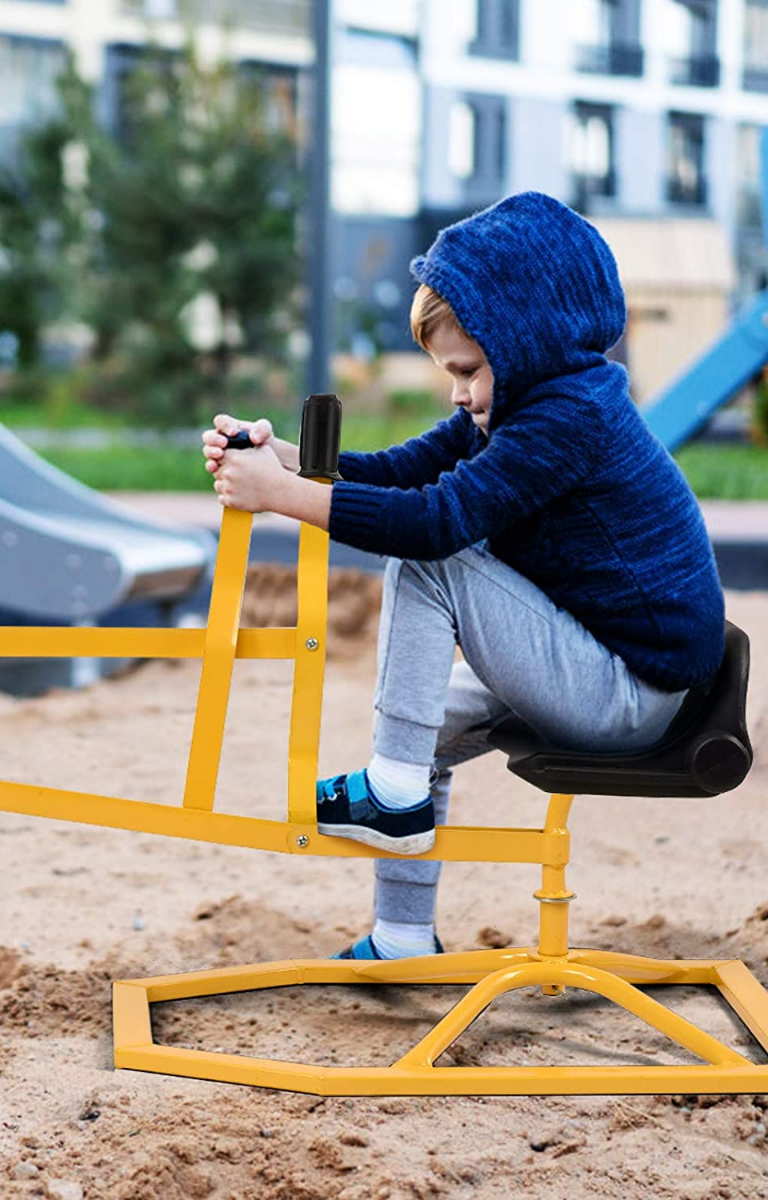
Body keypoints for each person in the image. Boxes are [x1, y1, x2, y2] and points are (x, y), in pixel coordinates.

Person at [200, 190, 725, 962]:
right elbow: (400, 470)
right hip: (595, 661)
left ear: (525, 342)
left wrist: (286, 501)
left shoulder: (567, 417)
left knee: (431, 559)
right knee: (420, 725)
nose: (457, 391)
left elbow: (433, 522)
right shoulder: (520, 401)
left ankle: (396, 798)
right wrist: (286, 462)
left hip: (628, 693)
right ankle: (404, 934)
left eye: (468, 369)